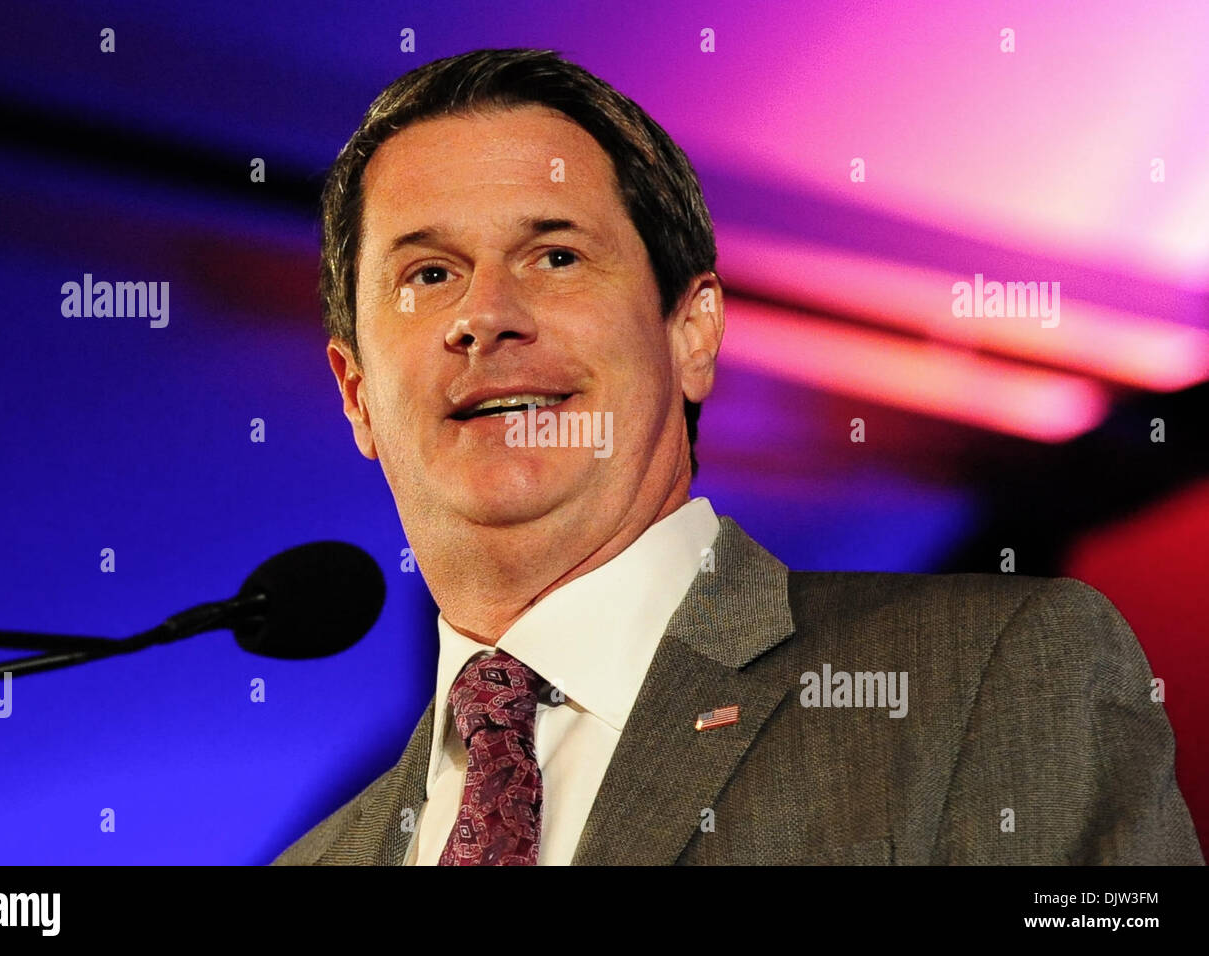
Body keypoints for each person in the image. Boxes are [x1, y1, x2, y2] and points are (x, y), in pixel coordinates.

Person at [273, 48, 1202, 865]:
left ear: (692, 333)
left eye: (554, 256)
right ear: (356, 392)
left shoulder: (992, 673)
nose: (484, 316)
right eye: (428, 275)